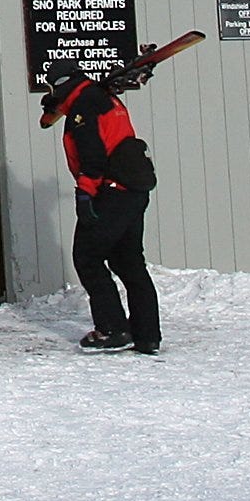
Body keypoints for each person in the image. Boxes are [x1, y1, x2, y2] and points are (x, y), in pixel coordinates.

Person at [41, 56, 160, 353]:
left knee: (87, 257)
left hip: (111, 190)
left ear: (60, 85)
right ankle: (147, 334)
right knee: (128, 261)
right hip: (134, 188)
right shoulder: (102, 98)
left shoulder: (84, 107)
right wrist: (57, 105)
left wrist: (85, 194)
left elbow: (92, 155)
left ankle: (112, 329)